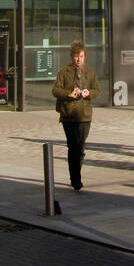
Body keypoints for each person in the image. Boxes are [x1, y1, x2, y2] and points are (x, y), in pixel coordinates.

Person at [51, 41, 100, 191]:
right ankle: (75, 179)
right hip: (69, 114)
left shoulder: (90, 72)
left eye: (81, 56)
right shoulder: (64, 72)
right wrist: (69, 94)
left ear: (85, 57)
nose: (78, 59)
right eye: (76, 56)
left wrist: (89, 93)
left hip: (84, 115)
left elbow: (97, 90)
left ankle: (76, 173)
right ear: (71, 57)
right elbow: (55, 90)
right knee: (72, 147)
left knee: (80, 147)